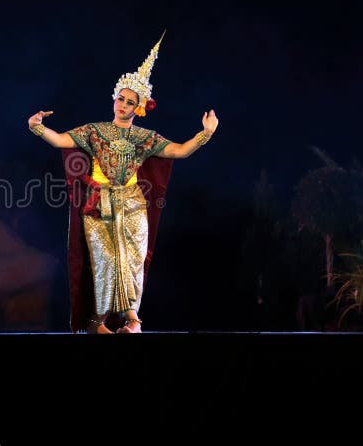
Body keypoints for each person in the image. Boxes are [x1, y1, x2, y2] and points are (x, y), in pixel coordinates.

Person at [27, 32, 219, 333]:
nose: (124, 105)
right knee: (104, 259)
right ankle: (97, 321)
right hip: (99, 204)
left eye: (131, 102)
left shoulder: (145, 138)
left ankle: (132, 320)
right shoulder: (94, 131)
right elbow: (61, 140)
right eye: (121, 98)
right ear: (114, 98)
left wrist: (205, 134)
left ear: (139, 107)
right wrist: (37, 128)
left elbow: (180, 151)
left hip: (132, 204)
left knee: (132, 259)